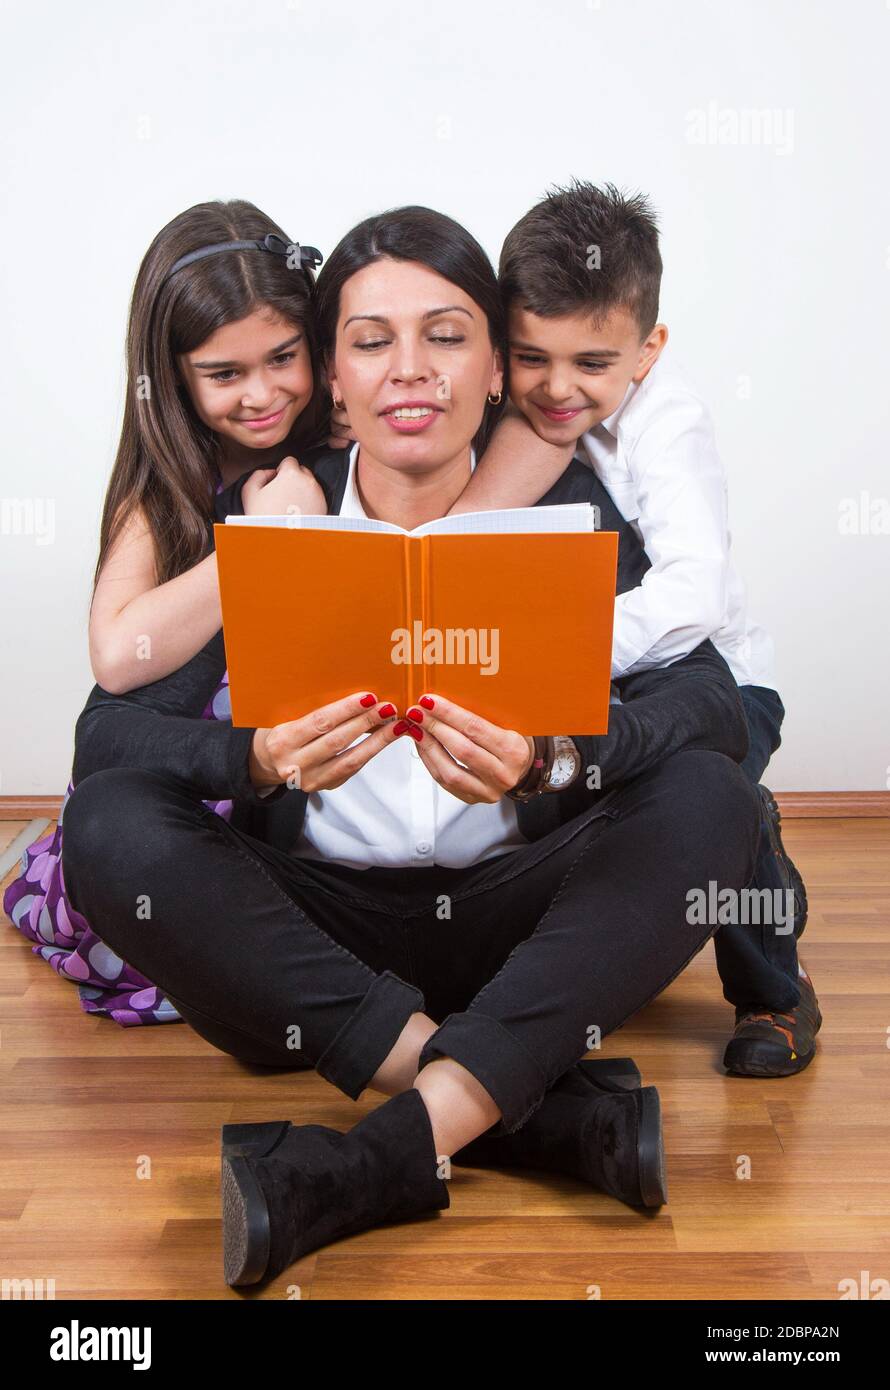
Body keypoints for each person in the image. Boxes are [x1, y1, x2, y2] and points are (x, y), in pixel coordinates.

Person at [60, 205, 760, 1287]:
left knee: (714, 796)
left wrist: (553, 757)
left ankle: (370, 1160)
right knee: (106, 824)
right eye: (370, 339)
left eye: (445, 334)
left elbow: (711, 704)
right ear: (332, 381)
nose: (410, 371)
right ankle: (508, 1105)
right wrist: (253, 758)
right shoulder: (267, 515)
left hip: (517, 920)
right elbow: (107, 740)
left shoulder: (570, 505)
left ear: (495, 369)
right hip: (322, 942)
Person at [322, 182, 820, 1078]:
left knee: (728, 803)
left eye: (593, 363)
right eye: (531, 358)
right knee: (591, 788)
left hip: (718, 667)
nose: (557, 389)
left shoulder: (668, 422)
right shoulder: (522, 420)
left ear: (649, 349)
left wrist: (541, 641)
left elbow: (695, 594)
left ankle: (773, 991)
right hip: (615, 662)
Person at [3, 199, 333, 1024]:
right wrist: (262, 540)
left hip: (314, 770)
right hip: (197, 769)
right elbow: (117, 656)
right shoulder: (164, 493)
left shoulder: (345, 437)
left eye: (283, 357)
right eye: (224, 374)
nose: (262, 394)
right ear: (174, 376)